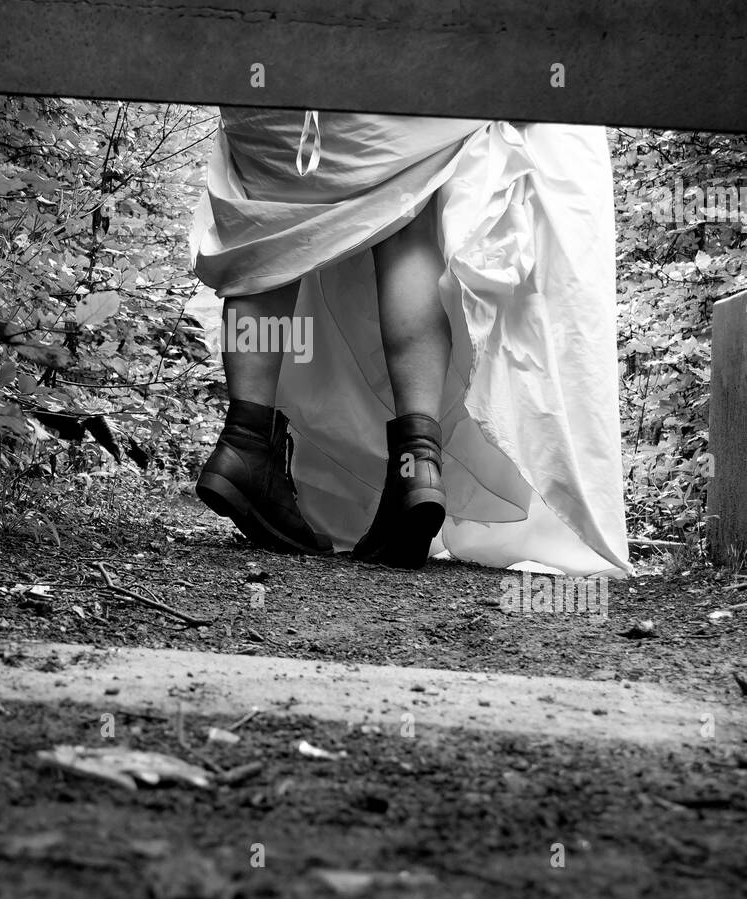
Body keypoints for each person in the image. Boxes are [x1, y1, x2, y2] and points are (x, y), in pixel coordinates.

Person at [190, 108, 630, 579]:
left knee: (267, 224)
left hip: (272, 95)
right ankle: (415, 463)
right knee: (406, 217)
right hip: (394, 93)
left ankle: (246, 443)